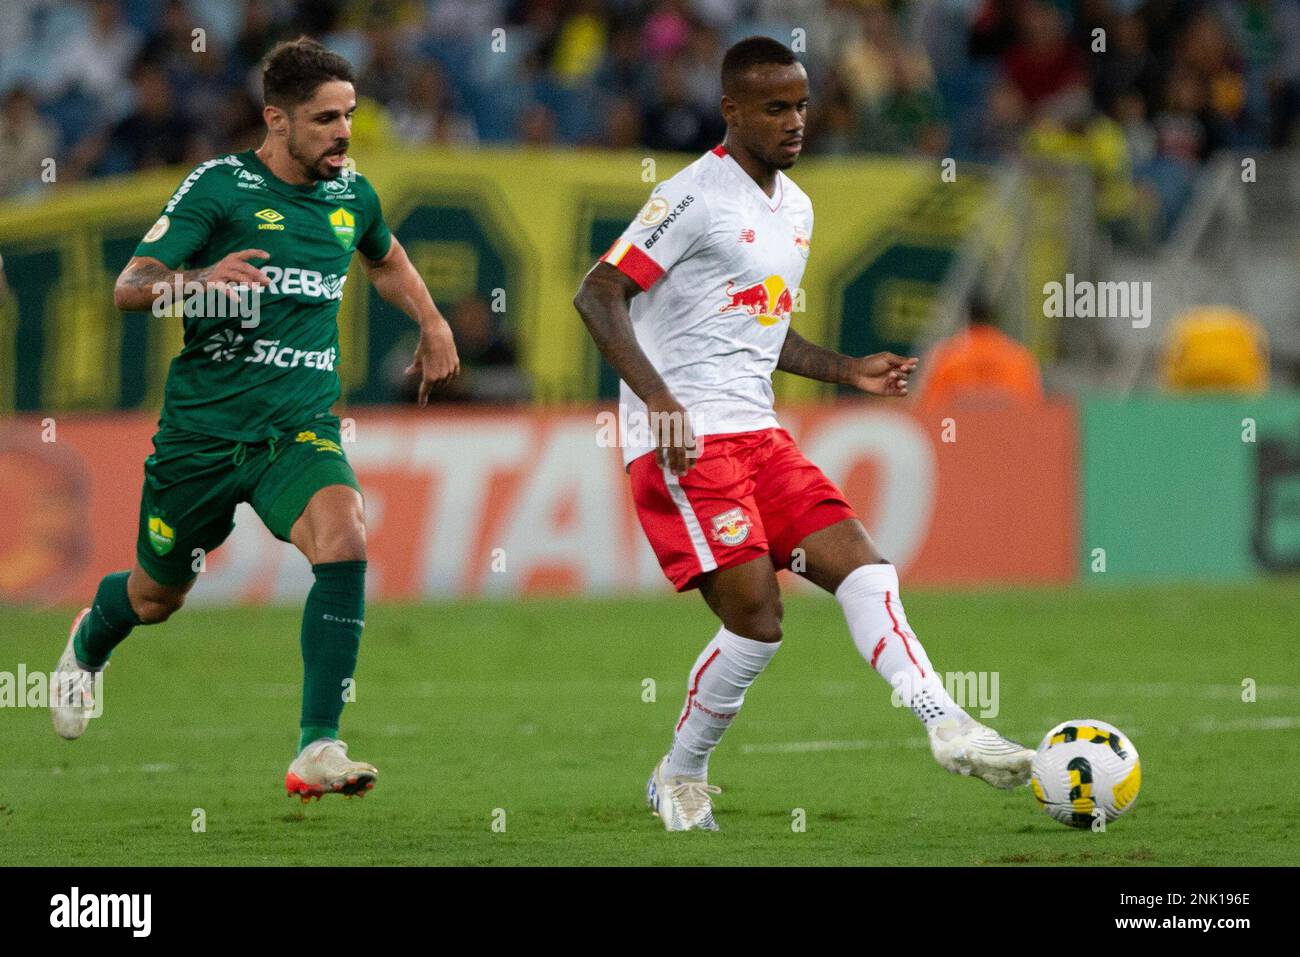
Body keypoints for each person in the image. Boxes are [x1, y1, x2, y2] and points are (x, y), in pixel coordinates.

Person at [573, 36, 1034, 832]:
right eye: (776, 107)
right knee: (757, 615)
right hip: (683, 440)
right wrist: (662, 401)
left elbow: (763, 328)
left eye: (802, 105)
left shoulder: (797, 207)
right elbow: (598, 293)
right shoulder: (692, 196)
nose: (795, 122)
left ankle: (949, 723)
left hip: (757, 433)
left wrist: (848, 370)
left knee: (864, 565)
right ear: (731, 111)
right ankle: (679, 774)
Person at [50, 37, 461, 802]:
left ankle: (318, 745)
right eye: (325, 119)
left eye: (350, 115)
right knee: (155, 596)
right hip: (201, 436)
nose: (344, 133)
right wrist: (198, 279)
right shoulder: (219, 189)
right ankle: (90, 641)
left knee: (345, 537)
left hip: (297, 429)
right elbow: (130, 287)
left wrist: (432, 321)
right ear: (276, 120)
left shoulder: (351, 195)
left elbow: (385, 257)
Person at [917, 295, 1044, 412]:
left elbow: (930, 409)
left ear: (967, 317)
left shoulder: (945, 356)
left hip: (958, 432)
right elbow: (1033, 410)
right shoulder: (1019, 359)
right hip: (1007, 432)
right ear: (995, 318)